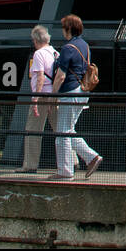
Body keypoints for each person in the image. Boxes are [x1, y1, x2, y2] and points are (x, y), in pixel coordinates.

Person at [49, 14, 102, 180]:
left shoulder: (67, 48)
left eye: (64, 28)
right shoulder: (84, 45)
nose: (63, 31)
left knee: (62, 133)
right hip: (82, 91)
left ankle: (65, 172)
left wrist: (52, 96)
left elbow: (61, 76)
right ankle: (92, 157)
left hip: (69, 92)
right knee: (69, 130)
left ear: (69, 29)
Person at [21, 24, 59, 173]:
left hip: (42, 95)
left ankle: (30, 165)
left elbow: (40, 78)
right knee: (61, 130)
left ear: (35, 40)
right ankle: (72, 161)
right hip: (54, 96)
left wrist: (35, 99)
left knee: (33, 130)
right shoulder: (55, 53)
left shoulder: (38, 54)